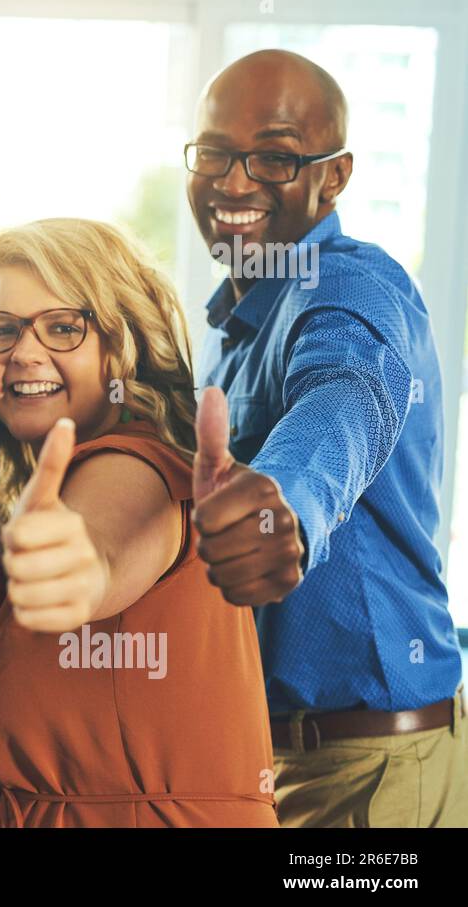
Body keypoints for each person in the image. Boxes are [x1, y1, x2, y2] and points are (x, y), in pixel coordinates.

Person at [185, 49, 466, 827]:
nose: (234, 182)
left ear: (333, 176)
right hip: (283, 763)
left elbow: (346, 397)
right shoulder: (232, 326)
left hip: (374, 771)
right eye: (214, 153)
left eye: (274, 158)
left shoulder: (349, 285)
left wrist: (282, 505)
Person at [0, 218, 277, 827]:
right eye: (1, 329)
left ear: (122, 345)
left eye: (62, 327)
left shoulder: (133, 465)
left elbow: (102, 547)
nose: (23, 351)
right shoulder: (88, 464)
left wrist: (79, 568)